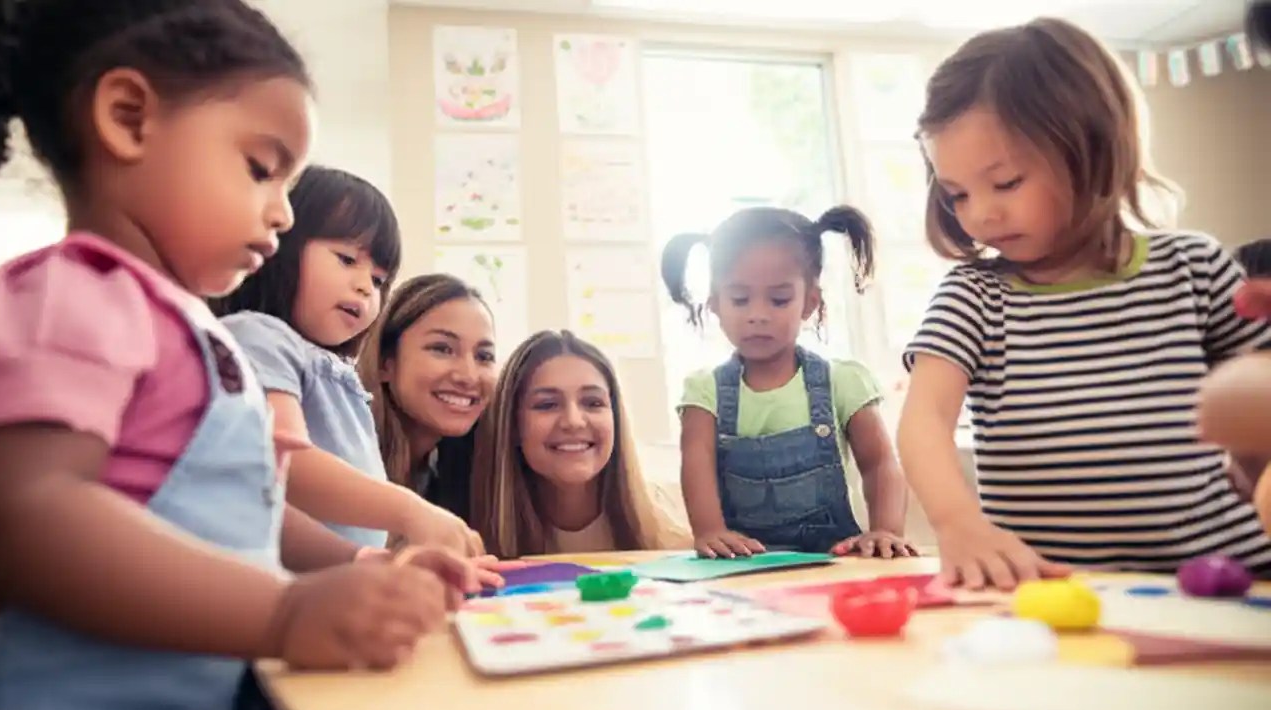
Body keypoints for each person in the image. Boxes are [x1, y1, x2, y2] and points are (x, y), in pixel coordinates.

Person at [0, 2, 475, 710]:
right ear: (129, 118)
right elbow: (24, 516)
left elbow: (249, 515)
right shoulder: (74, 295)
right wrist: (284, 612)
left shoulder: (194, 335)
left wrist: (359, 568)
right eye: (261, 169)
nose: (282, 212)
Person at [900, 17, 1271, 591]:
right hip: (1053, 590)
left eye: (1006, 183)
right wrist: (957, 523)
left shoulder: (1193, 267)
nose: (980, 215)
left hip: (1224, 578)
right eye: (957, 194)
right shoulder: (973, 297)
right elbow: (923, 420)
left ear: (1093, 147)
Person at [214, 168, 482, 554]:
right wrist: (410, 511)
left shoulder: (339, 374)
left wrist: (371, 562)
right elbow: (286, 463)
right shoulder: (258, 336)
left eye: (377, 280)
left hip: (328, 580)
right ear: (280, 247)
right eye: (347, 259)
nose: (364, 287)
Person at [661, 206, 914, 558]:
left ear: (810, 303)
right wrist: (710, 532)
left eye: (779, 299)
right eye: (740, 299)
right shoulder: (705, 393)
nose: (758, 315)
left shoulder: (842, 381)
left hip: (834, 562)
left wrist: (886, 530)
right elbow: (696, 466)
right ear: (715, 303)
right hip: (740, 566)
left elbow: (880, 464)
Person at [469, 330, 690, 557]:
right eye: (547, 404)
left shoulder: (684, 517)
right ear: (513, 425)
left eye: (593, 402)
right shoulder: (471, 536)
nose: (573, 421)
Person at [358, 273, 498, 527]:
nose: (468, 376)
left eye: (484, 356)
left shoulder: (460, 476)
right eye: (442, 349)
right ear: (384, 363)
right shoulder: (339, 457)